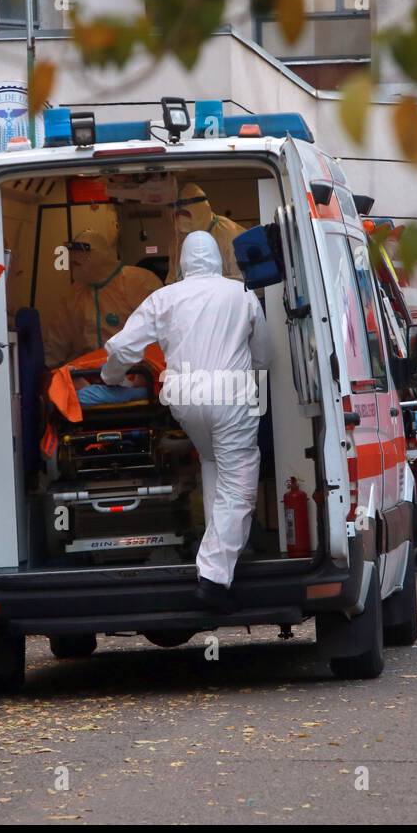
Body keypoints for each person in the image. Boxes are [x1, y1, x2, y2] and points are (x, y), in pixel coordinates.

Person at [101, 231, 270, 613]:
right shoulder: (241, 293)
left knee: (213, 464)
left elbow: (122, 346)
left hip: (184, 396)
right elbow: (264, 354)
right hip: (231, 394)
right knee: (239, 484)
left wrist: (110, 378)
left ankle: (220, 551)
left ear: (181, 263)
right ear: (219, 260)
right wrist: (253, 372)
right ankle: (213, 576)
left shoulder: (164, 296)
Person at [42, 228, 161, 367]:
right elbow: (58, 337)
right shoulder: (74, 294)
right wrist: (48, 367)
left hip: (135, 370)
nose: (74, 266)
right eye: (73, 263)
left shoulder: (138, 282)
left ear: (100, 257)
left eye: (79, 262)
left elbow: (160, 329)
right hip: (88, 372)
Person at [173, 183, 246, 281]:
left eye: (186, 213)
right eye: (179, 213)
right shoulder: (179, 238)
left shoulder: (231, 235)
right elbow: (174, 277)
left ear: (200, 210)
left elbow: (244, 281)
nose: (182, 219)